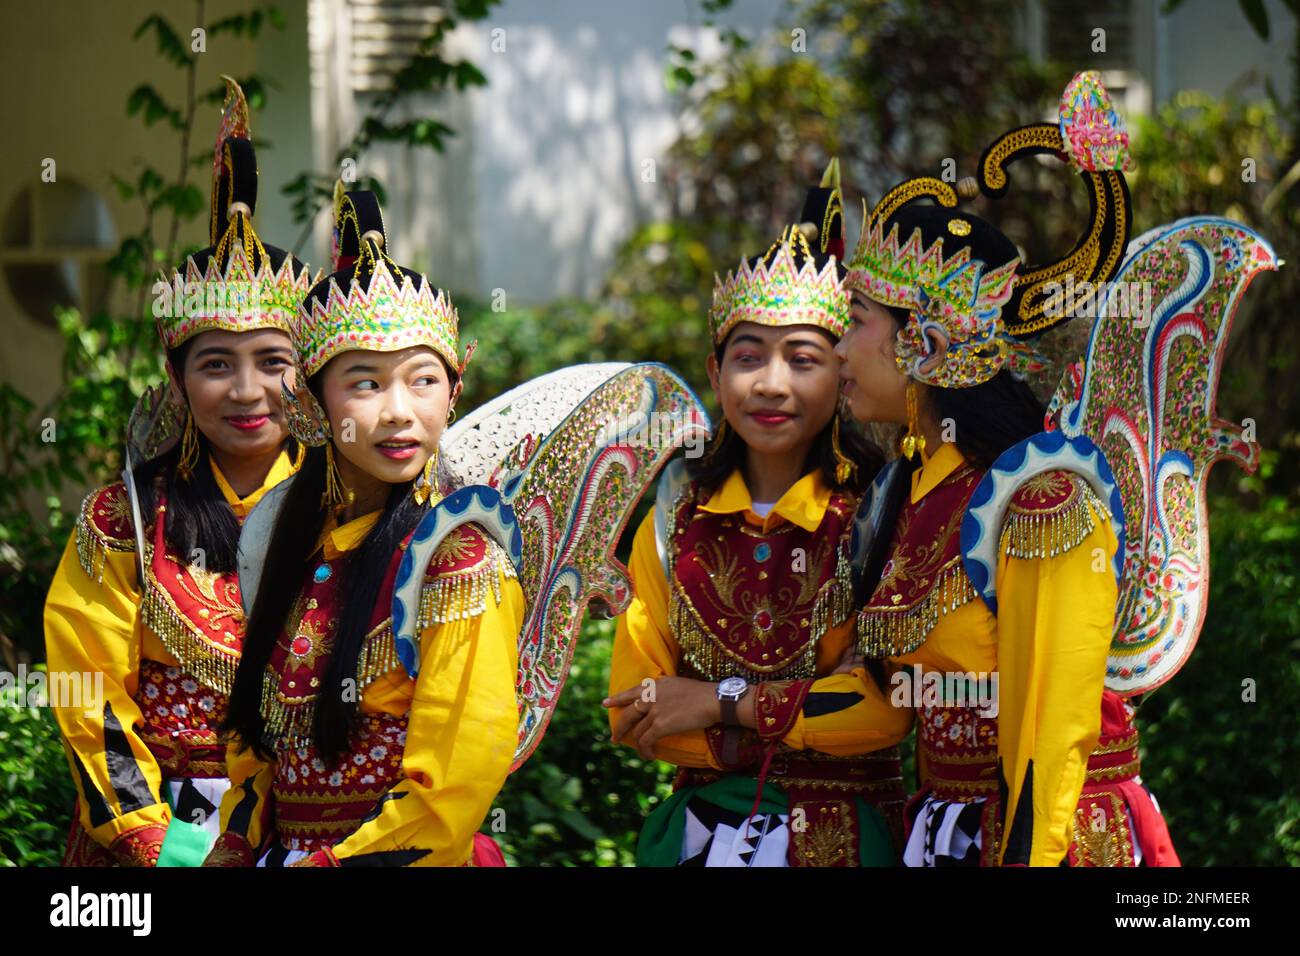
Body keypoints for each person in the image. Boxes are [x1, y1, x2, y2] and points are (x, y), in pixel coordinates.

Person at [838, 74, 1181, 863]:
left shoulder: (1041, 500)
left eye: (854, 323)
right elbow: (891, 703)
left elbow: (1051, 735)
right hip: (947, 828)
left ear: (919, 344)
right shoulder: (907, 492)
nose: (837, 349)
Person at [604, 163, 913, 867]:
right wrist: (802, 714)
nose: (771, 385)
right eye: (749, 358)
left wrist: (715, 704)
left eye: (802, 360)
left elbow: (885, 712)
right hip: (700, 839)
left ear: (843, 375)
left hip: (851, 842)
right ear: (715, 374)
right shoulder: (671, 518)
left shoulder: (885, 511)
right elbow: (635, 713)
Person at [205, 189, 521, 867]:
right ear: (313, 406)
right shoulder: (287, 543)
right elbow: (262, 754)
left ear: (454, 390)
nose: (400, 412)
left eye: (422, 380)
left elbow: (452, 792)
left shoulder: (461, 565)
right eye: (366, 384)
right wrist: (236, 840)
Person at [43, 78, 312, 866]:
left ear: (309, 372)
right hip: (147, 835)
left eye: (273, 362)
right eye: (216, 364)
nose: (247, 391)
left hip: (300, 832)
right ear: (177, 376)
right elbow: (79, 687)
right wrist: (160, 841)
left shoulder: (341, 509)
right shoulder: (122, 518)